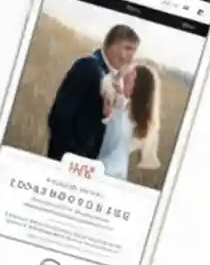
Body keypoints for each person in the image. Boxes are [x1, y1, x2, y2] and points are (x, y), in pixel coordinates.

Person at [46, 24, 139, 162]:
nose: (130, 57)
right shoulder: (87, 67)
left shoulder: (112, 78)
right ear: (112, 45)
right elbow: (60, 114)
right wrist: (71, 156)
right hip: (68, 160)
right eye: (127, 48)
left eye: (134, 51)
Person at [98, 64, 162, 181]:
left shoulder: (124, 109)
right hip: (117, 172)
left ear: (137, 87)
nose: (125, 80)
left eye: (130, 78)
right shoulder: (140, 120)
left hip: (105, 171)